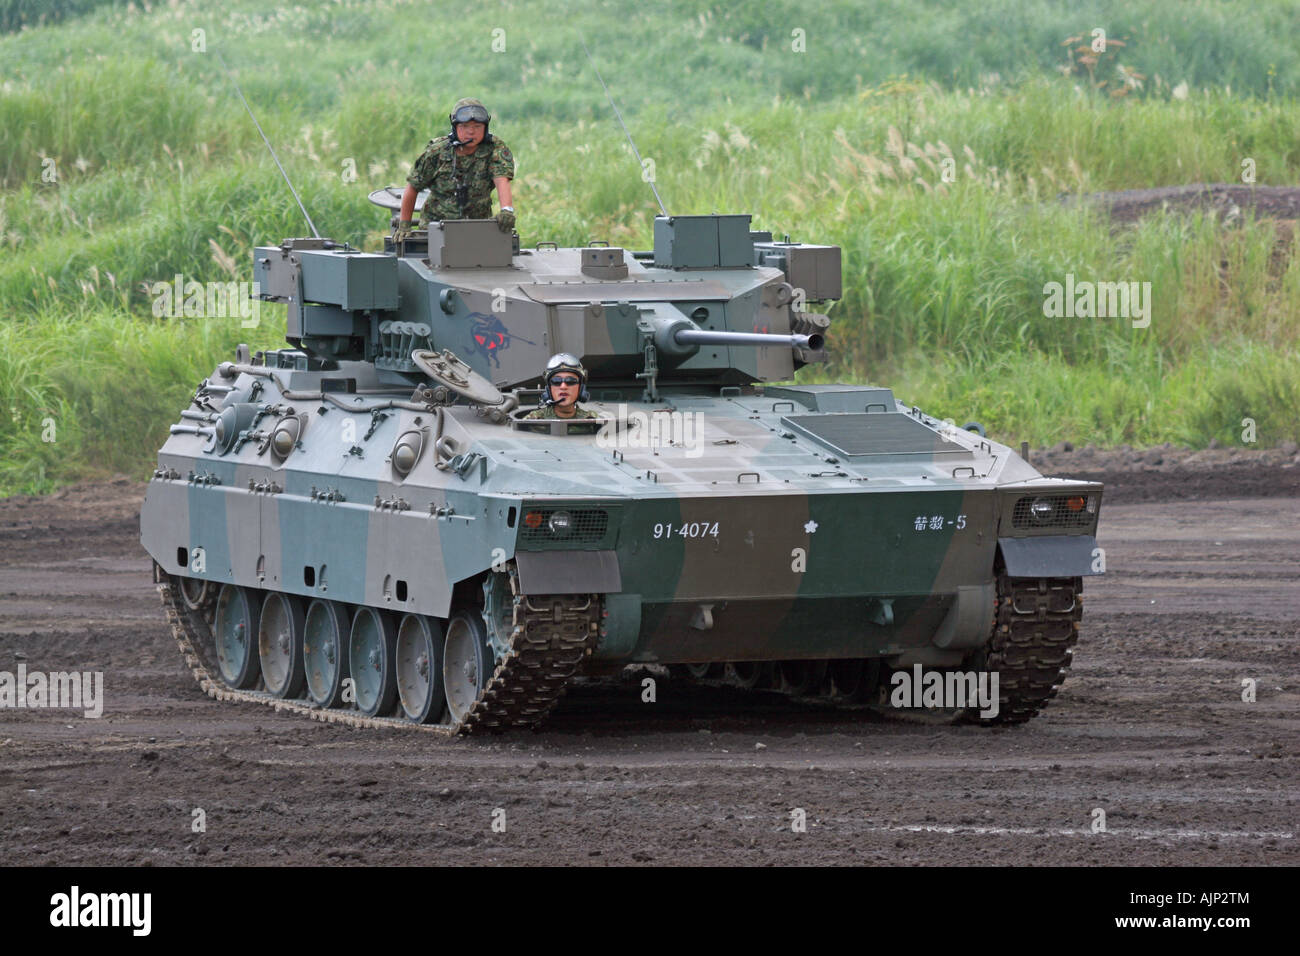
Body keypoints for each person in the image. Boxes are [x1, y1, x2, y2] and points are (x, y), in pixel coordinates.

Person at [394, 98, 515, 241]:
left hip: (477, 229)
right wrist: (404, 225)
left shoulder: (495, 148)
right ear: (455, 127)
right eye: (464, 126)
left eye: (477, 126)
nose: (471, 132)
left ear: (485, 127)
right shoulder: (437, 151)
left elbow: (501, 180)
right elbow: (413, 186)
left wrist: (507, 210)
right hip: (435, 229)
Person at [524, 354, 600, 424]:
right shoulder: (534, 420)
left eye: (570, 381)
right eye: (556, 381)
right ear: (549, 389)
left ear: (580, 387)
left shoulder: (592, 419)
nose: (563, 386)